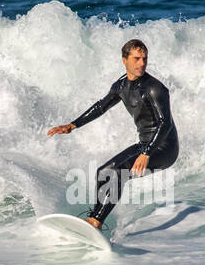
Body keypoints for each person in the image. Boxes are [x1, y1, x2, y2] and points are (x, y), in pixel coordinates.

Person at [47, 39, 178, 228]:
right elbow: (101, 106)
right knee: (103, 172)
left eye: (144, 58)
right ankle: (96, 218)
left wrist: (146, 153)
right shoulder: (121, 86)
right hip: (146, 145)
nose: (142, 63)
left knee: (119, 172)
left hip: (164, 148)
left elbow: (164, 124)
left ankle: (96, 221)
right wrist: (72, 125)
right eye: (136, 58)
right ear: (124, 60)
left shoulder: (154, 88)